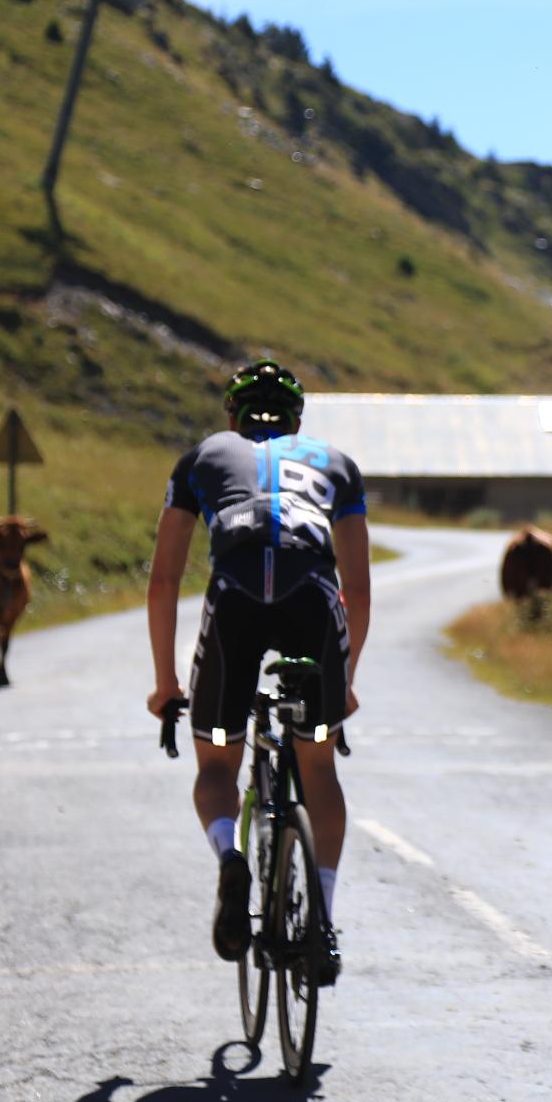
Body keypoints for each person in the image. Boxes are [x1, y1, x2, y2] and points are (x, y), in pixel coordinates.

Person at [145, 358, 371, 985]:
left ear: (232, 416)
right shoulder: (337, 463)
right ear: (300, 420)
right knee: (317, 762)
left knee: (217, 759)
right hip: (312, 602)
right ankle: (321, 917)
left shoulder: (202, 458)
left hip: (237, 599)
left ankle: (230, 857)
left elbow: (164, 580)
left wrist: (166, 684)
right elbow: (358, 588)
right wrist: (343, 684)